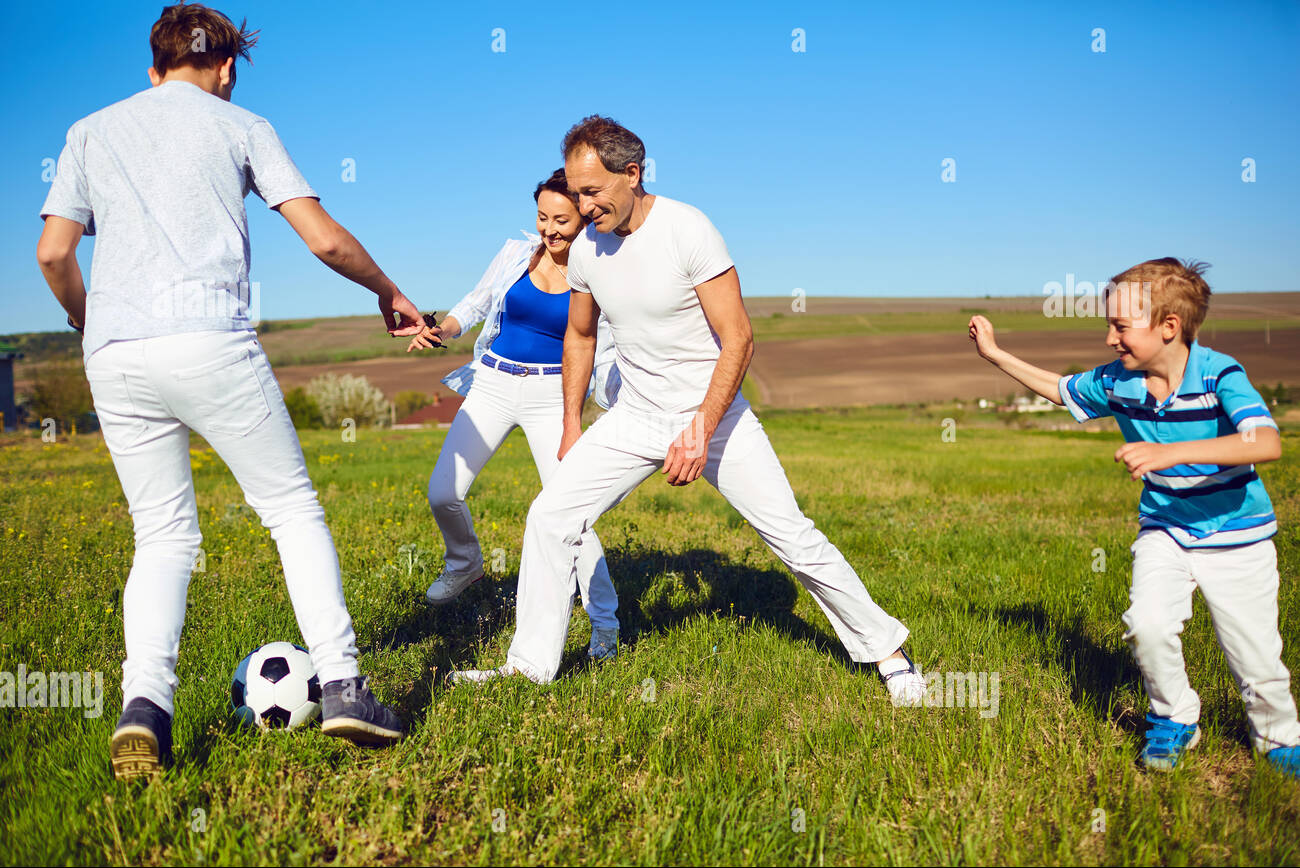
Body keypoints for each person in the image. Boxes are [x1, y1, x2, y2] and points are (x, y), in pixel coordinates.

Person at [36, 3, 418, 779]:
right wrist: (388, 291)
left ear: (153, 69)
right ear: (227, 68)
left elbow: (51, 253)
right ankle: (343, 685)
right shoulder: (241, 126)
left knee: (163, 535)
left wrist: (88, 317)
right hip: (209, 340)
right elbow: (323, 237)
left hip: (115, 354)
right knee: (290, 509)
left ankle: (145, 707)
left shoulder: (89, 130)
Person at [452, 115, 927, 704]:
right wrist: (573, 423)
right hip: (634, 415)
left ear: (633, 174)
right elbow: (579, 338)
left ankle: (889, 656)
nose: (583, 205)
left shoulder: (688, 229)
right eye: (576, 193)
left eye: (593, 192)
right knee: (550, 516)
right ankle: (529, 668)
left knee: (791, 537)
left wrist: (701, 429)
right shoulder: (586, 251)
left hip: (716, 416)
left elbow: (740, 339)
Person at [969, 258, 1299, 778]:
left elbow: (1267, 441)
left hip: (1237, 535)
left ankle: (1277, 739)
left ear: (1169, 327)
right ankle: (1175, 719)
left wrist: (1173, 453)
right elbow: (1060, 389)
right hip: (1165, 529)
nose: (1109, 339)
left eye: (1121, 326)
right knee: (1146, 624)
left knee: (1254, 653)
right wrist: (994, 355)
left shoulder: (1219, 373)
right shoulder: (1117, 382)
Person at [406, 170, 622, 660]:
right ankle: (464, 562)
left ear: (585, 216)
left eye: (561, 219)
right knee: (444, 492)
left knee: (572, 516)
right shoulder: (516, 254)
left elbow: (605, 350)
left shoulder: (601, 272)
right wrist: (443, 329)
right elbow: (477, 301)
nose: (550, 228)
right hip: (494, 384)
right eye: (543, 217)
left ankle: (605, 624)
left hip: (554, 395)